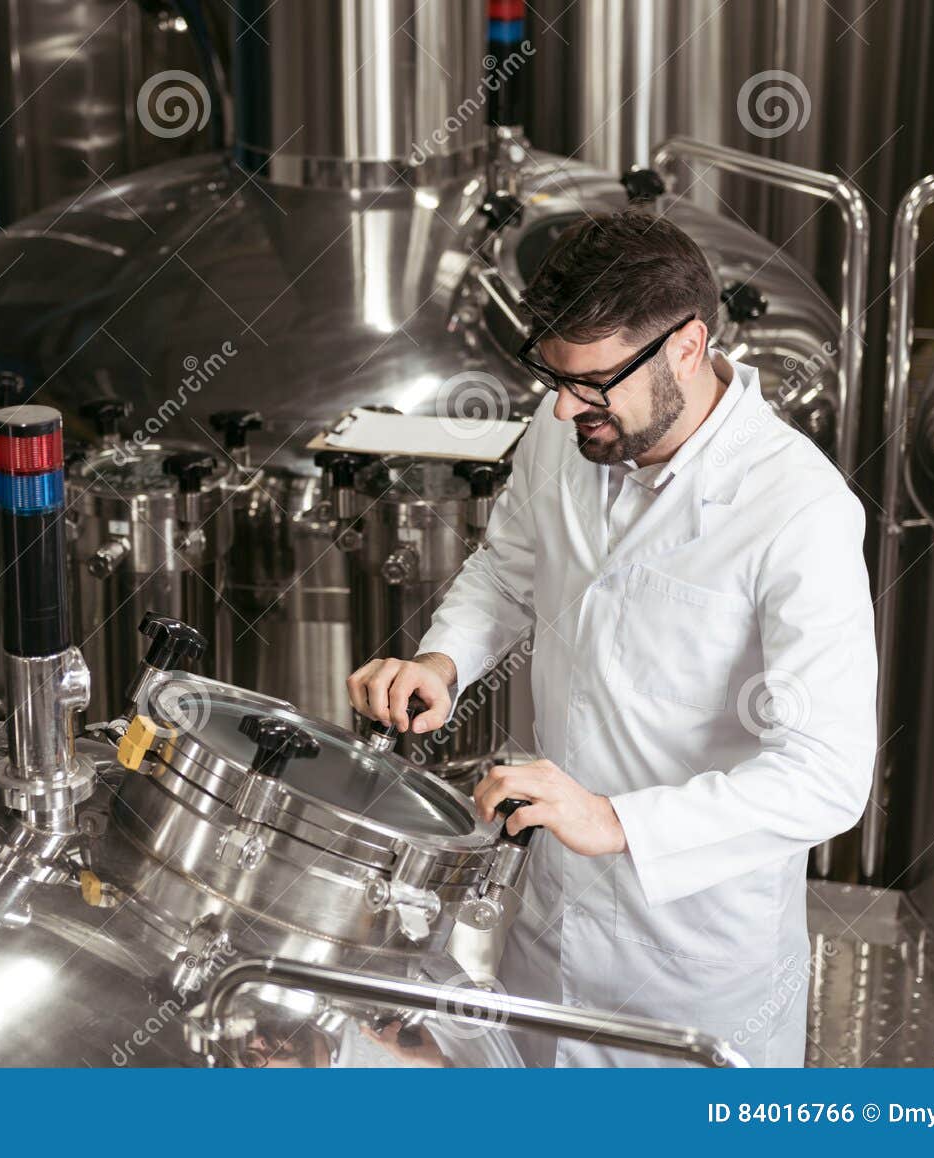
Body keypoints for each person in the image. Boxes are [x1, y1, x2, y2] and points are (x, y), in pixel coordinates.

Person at [345, 210, 876, 1067]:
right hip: (546, 925)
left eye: (591, 382)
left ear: (687, 347)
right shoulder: (568, 437)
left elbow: (826, 777)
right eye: (552, 376)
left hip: (690, 973)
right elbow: (509, 567)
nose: (562, 406)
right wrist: (445, 661)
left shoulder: (798, 513)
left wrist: (614, 820)